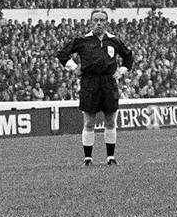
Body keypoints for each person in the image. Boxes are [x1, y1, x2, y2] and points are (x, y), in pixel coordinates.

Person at [55, 9, 134, 166]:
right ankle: (88, 158)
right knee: (89, 122)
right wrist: (74, 67)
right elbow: (62, 54)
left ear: (106, 22)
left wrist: (122, 71)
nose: (99, 23)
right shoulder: (82, 40)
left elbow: (128, 56)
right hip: (89, 82)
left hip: (108, 82)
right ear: (91, 22)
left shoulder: (114, 41)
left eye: (102, 20)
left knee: (110, 121)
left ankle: (110, 157)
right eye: (96, 20)